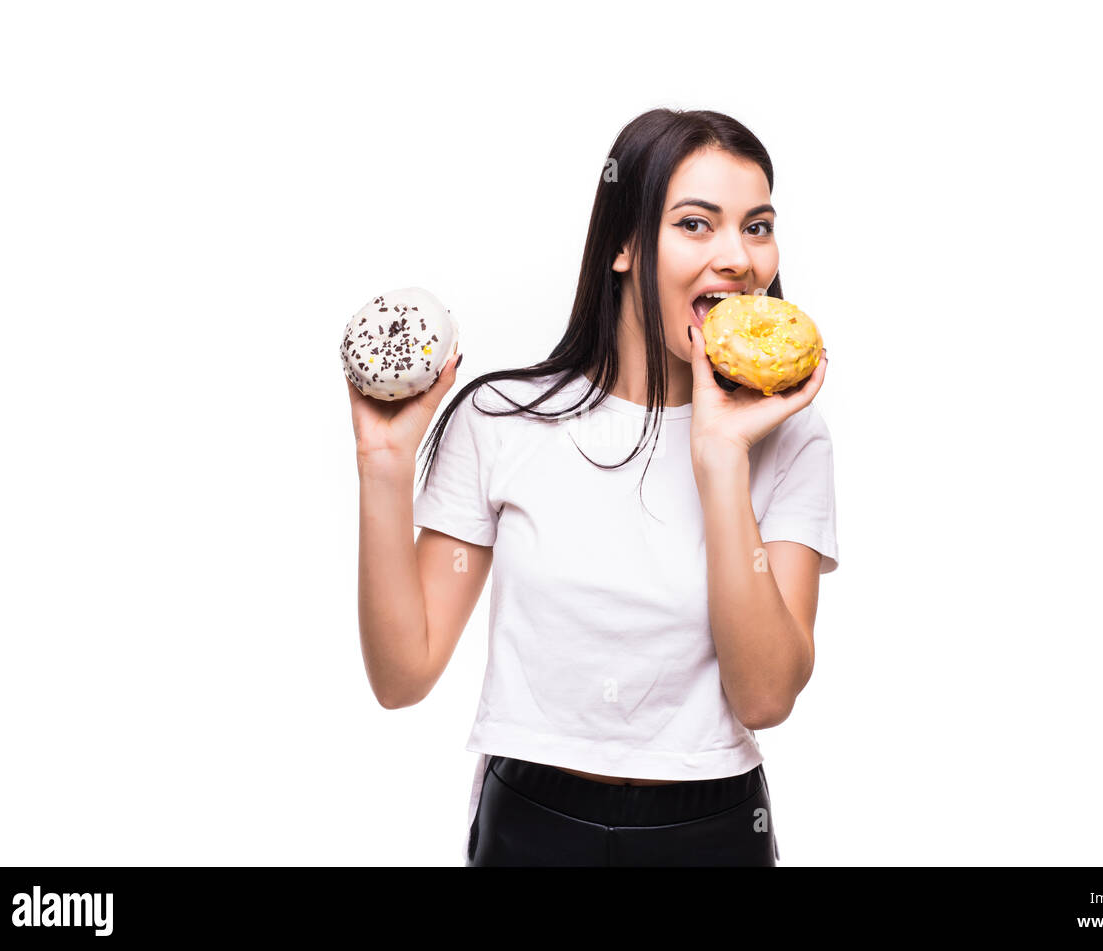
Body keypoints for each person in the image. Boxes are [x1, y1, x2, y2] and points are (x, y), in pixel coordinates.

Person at [345, 108, 838, 866]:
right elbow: (402, 675)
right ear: (622, 245)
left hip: (713, 829)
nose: (737, 258)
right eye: (697, 225)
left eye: (758, 226)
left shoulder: (791, 436)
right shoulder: (500, 421)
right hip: (532, 823)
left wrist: (719, 456)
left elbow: (766, 697)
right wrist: (382, 466)